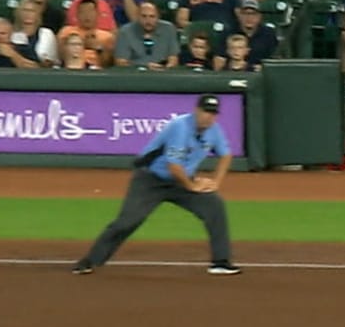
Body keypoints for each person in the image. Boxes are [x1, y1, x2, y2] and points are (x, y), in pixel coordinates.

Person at [72, 94, 238, 276]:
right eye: (206, 112)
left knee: (214, 205)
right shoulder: (180, 126)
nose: (209, 117)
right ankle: (90, 260)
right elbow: (173, 166)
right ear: (196, 110)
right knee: (129, 221)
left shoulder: (214, 130)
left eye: (213, 113)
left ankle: (220, 262)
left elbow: (226, 154)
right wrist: (191, 186)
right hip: (150, 180)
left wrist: (215, 182)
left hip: (181, 181)